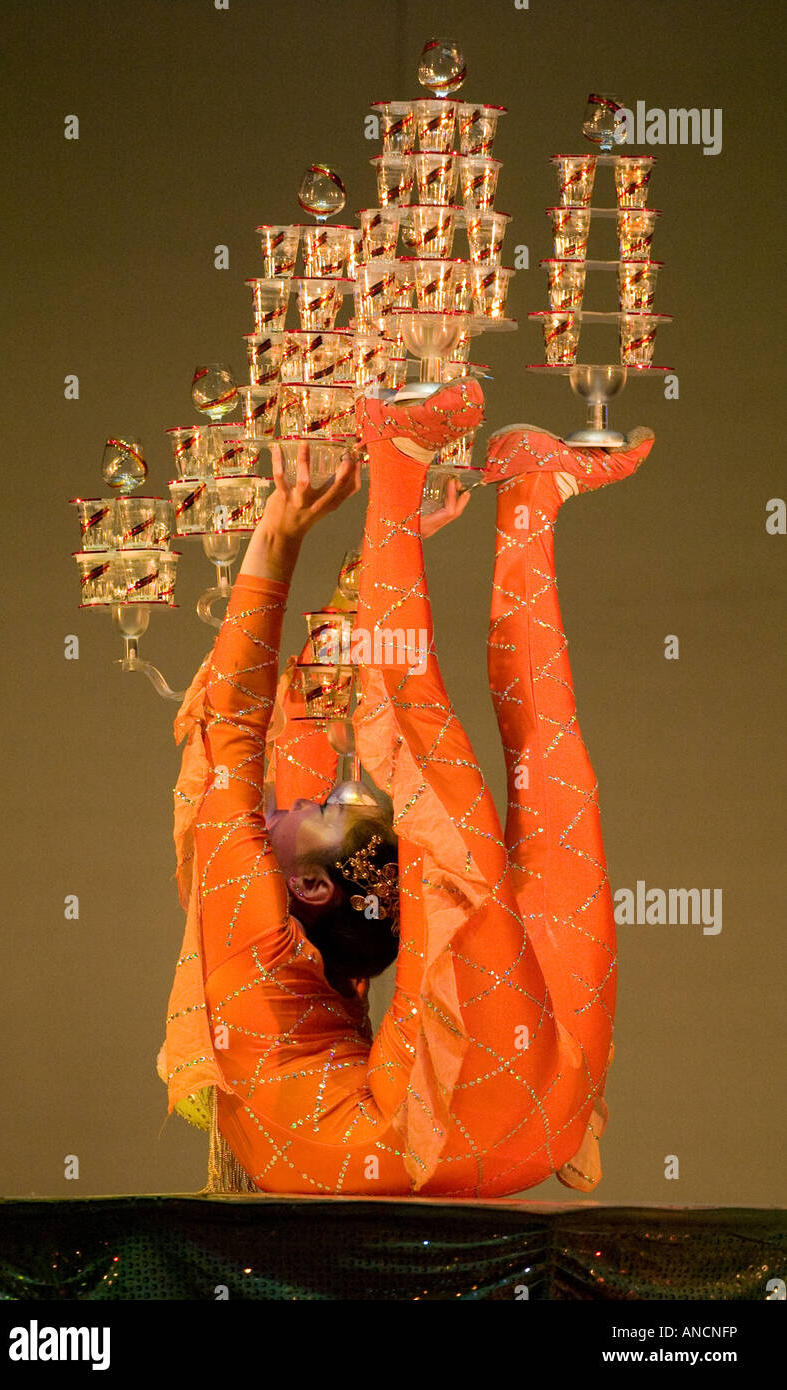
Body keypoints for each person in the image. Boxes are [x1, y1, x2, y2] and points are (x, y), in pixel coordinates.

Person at [160, 377, 654, 1197]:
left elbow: (288, 723)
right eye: (322, 808)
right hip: (455, 1128)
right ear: (313, 884)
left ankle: (516, 491)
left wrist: (351, 574)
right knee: (431, 748)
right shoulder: (266, 919)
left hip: (510, 1124)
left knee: (516, 785)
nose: (301, 795)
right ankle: (418, 463)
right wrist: (279, 543)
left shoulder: (283, 942)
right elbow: (240, 730)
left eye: (317, 803)